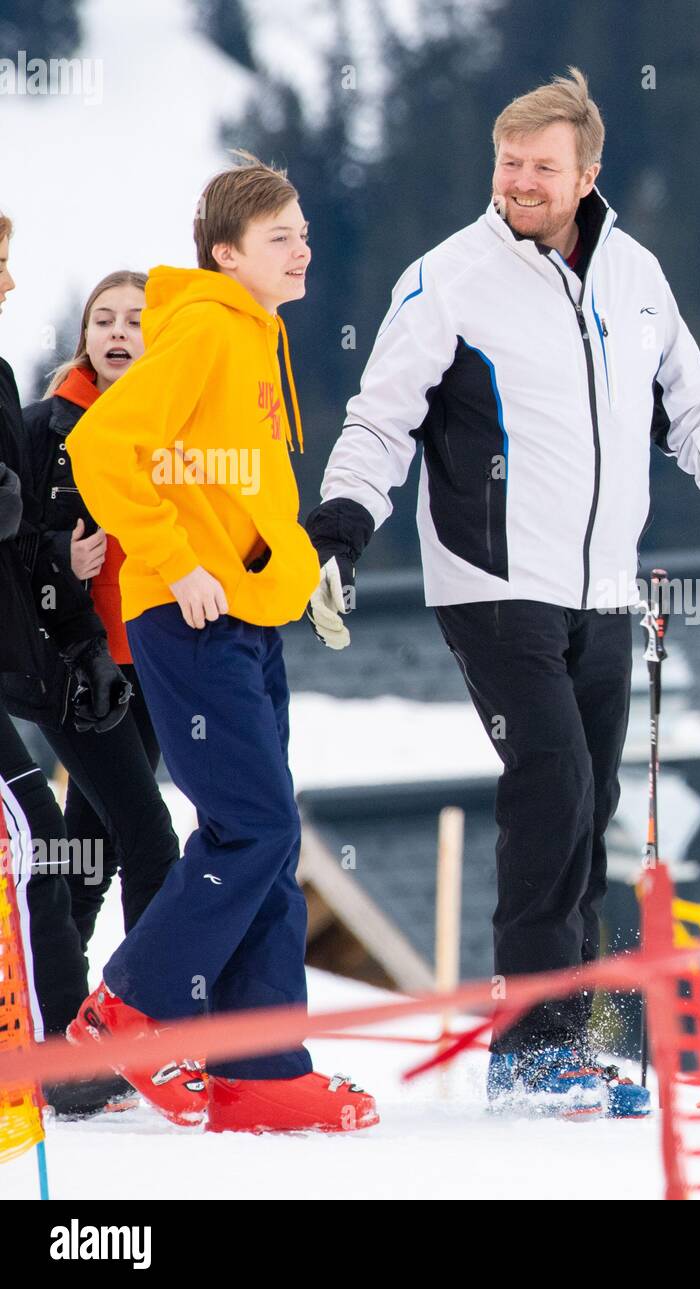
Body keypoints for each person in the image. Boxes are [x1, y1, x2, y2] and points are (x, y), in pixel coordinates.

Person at [304, 69, 700, 1118]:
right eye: (508, 166)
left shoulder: (634, 276)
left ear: (588, 173)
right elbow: (379, 420)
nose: (520, 184)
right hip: (491, 581)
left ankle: (567, 1035)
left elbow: (693, 410)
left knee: (588, 812)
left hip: (602, 589)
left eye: (542, 168)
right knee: (550, 787)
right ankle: (530, 1049)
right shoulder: (447, 279)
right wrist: (341, 532)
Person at [64, 154, 376, 1134]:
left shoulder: (253, 336)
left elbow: (234, 493)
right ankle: (130, 1010)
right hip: (190, 619)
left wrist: (293, 571)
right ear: (226, 252)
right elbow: (104, 448)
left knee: (268, 838)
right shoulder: (203, 328)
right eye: (281, 237)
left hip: (250, 620)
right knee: (253, 830)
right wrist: (173, 559)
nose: (303, 249)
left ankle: (261, 1069)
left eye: (304, 233)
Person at [0, 212, 137, 1118]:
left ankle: (61, 1046)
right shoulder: (48, 415)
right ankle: (68, 1055)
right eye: (105, 319)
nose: (10, 283)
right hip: (52, 673)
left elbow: (25, 550)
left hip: (99, 667)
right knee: (47, 847)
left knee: (66, 851)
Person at [4, 271, 180, 952]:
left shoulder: (177, 426)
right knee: (151, 838)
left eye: (135, 321)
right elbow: (8, 538)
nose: (117, 332)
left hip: (153, 664)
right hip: (73, 668)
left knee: (89, 855)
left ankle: (56, 1025)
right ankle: (151, 1026)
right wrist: (60, 556)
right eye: (103, 320)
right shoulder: (39, 427)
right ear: (84, 339)